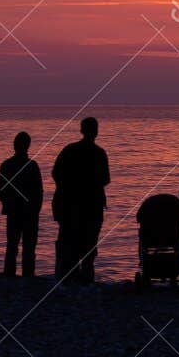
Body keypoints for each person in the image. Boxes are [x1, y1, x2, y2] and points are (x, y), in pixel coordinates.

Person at [52, 116, 110, 283]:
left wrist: (67, 188)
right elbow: (105, 179)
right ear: (96, 132)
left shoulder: (70, 150)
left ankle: (71, 275)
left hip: (71, 205)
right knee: (89, 243)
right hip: (89, 206)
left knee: (70, 242)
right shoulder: (99, 153)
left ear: (82, 130)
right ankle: (84, 276)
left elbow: (56, 173)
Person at [0, 131, 43, 278]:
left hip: (14, 212)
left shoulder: (6, 165)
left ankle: (9, 276)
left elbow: (0, 192)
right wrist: (34, 209)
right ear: (28, 146)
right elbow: (39, 192)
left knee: (12, 247)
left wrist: (9, 204)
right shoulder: (32, 166)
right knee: (28, 248)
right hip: (28, 213)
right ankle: (27, 276)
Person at [135, 183, 179, 281]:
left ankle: (143, 262)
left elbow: (138, 217)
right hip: (171, 238)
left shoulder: (150, 203)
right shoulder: (177, 205)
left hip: (149, 238)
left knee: (142, 241)